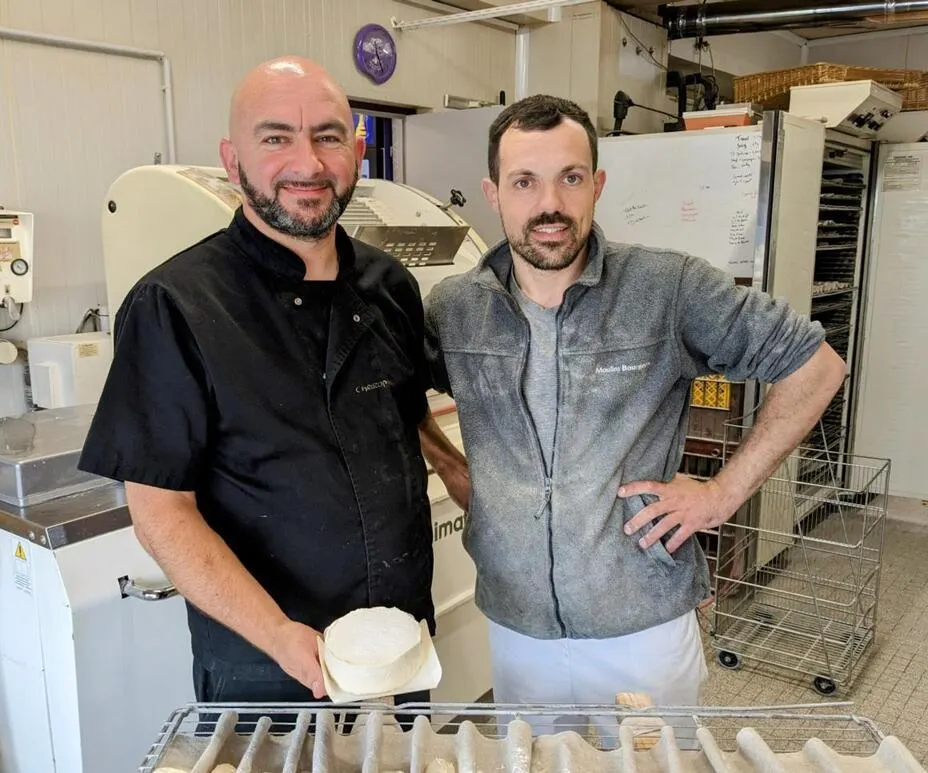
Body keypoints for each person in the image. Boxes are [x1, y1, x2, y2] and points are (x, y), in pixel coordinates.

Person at [421, 94, 847, 739]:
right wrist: (454, 468)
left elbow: (816, 367)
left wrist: (722, 493)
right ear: (493, 193)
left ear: (597, 185)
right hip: (517, 626)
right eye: (524, 182)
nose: (550, 205)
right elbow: (392, 392)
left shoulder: (667, 288)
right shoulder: (456, 309)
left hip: (642, 628)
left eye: (569, 178)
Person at [79, 56, 456, 708]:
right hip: (268, 666)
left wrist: (456, 468)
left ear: (357, 152)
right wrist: (279, 636)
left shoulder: (390, 285)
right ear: (233, 161)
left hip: (398, 643)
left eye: (328, 136)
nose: (307, 163)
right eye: (276, 137)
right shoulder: (175, 306)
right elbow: (161, 513)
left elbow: (407, 411)